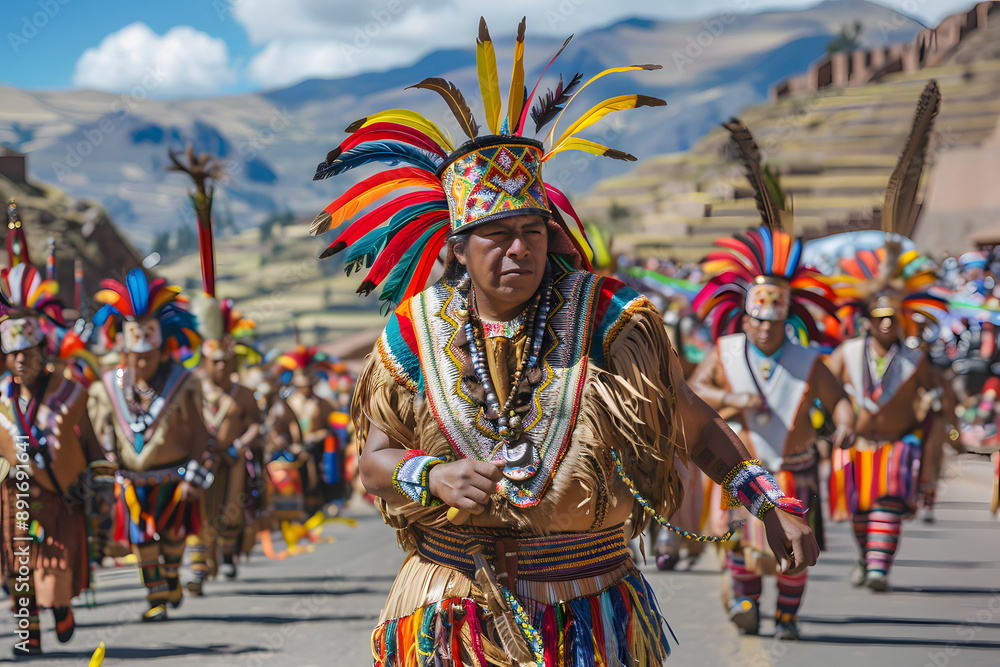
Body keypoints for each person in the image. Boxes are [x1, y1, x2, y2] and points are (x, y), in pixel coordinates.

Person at [311, 18, 819, 665]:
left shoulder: (607, 320)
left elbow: (691, 423)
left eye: (532, 228)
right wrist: (431, 473)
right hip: (454, 611)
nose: (519, 246)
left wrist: (765, 499)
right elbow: (373, 463)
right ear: (460, 248)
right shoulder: (414, 332)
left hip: (588, 610)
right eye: (497, 233)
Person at [687, 150, 855, 636]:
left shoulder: (809, 360)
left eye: (772, 320)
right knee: (741, 542)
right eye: (756, 319)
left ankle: (787, 615)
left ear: (787, 318)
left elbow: (839, 400)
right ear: (744, 316)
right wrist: (734, 401)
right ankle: (746, 605)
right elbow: (694, 395)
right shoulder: (725, 351)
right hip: (744, 468)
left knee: (795, 546)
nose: (763, 328)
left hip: (797, 467)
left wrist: (844, 422)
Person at [825, 80, 954, 592]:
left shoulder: (916, 357)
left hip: (897, 444)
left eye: (891, 319)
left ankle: (879, 567)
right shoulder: (845, 353)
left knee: (887, 505)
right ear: (865, 319)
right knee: (860, 509)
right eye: (877, 318)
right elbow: (823, 390)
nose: (885, 325)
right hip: (855, 445)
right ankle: (867, 558)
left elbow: (933, 396)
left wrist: (932, 402)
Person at [87, 268, 214, 621]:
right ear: (123, 346)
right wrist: (106, 468)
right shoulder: (107, 388)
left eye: (149, 352)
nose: (142, 359)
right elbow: (103, 435)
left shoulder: (183, 383)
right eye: (136, 352)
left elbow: (201, 434)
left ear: (164, 345)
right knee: (142, 543)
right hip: (131, 484)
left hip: (174, 481)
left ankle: (171, 575)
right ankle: (155, 598)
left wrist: (194, 476)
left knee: (172, 541)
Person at [0, 262, 100, 656]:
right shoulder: (2, 399)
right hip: (13, 496)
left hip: (59, 495)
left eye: (28, 352)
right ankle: (29, 633)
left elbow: (90, 442)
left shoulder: (69, 393)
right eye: (13, 354)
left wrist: (102, 483)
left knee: (55, 563)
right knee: (18, 567)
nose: (21, 361)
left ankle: (60, 607)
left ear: (43, 350)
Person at [187, 298, 262, 592]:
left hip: (232, 461)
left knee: (230, 509)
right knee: (200, 510)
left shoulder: (243, 394)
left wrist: (240, 444)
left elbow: (256, 424)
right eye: (215, 361)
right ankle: (198, 569)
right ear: (205, 360)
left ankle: (228, 552)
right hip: (201, 460)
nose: (220, 366)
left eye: (225, 361)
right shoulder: (192, 389)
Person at [275, 346, 347, 514]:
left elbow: (335, 426)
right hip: (295, 450)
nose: (306, 387)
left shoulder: (324, 403)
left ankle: (325, 499)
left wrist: (321, 436)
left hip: (318, 449)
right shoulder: (289, 403)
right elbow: (281, 427)